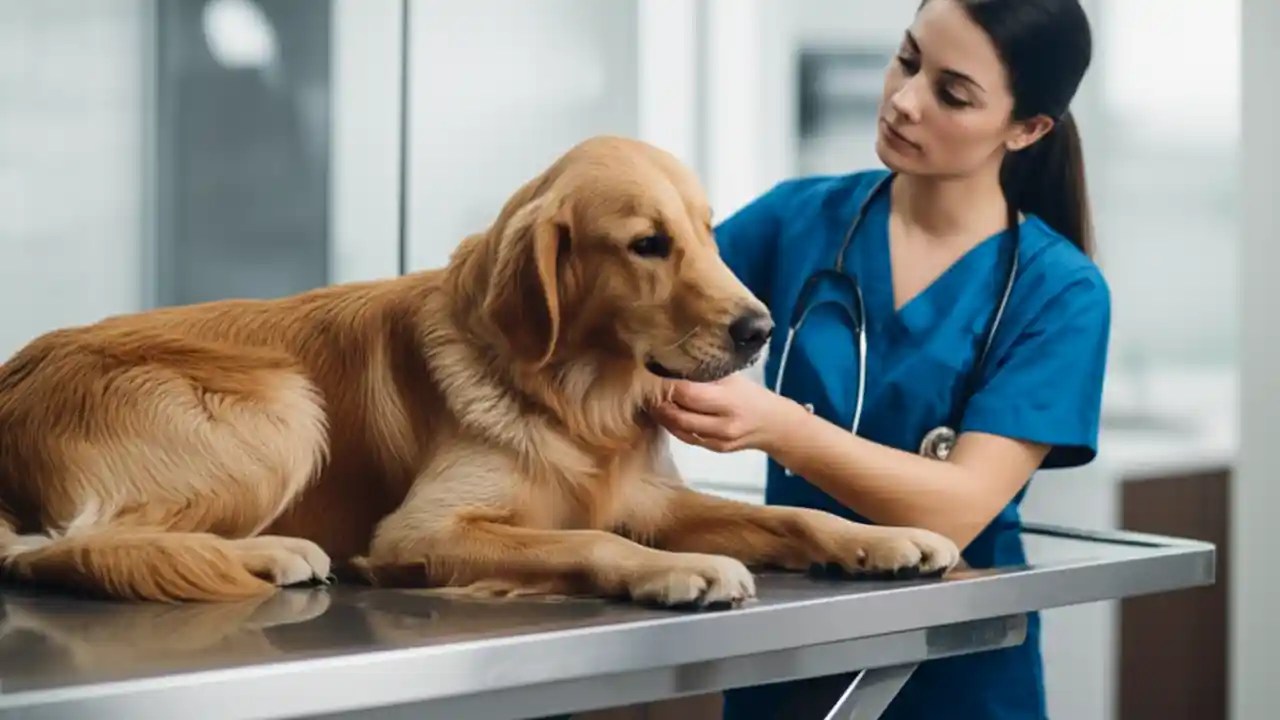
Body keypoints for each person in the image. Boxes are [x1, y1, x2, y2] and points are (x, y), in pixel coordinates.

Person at [652, 0, 1107, 718]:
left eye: (951, 93)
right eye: (907, 58)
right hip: (790, 647)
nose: (903, 99)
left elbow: (953, 514)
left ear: (1028, 128)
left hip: (956, 671)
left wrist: (777, 426)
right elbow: (643, 323)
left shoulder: (1060, 294)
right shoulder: (794, 220)